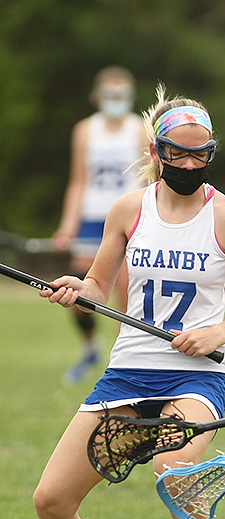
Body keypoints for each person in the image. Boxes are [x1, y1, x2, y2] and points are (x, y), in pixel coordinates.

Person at [26, 85, 225, 519]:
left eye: (201, 155)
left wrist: (220, 330)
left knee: (175, 470)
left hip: (198, 375)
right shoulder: (127, 210)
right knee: (52, 499)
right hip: (128, 370)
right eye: (179, 154)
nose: (189, 164)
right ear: (157, 150)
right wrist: (78, 290)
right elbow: (98, 282)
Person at [52, 66, 149, 384]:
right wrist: (68, 226)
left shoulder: (140, 129)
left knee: (124, 292)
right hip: (92, 219)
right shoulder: (84, 130)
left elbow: (149, 179)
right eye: (111, 95)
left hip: (128, 217)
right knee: (77, 288)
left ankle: (123, 363)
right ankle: (91, 347)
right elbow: (78, 181)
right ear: (97, 96)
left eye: (123, 95)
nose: (116, 101)